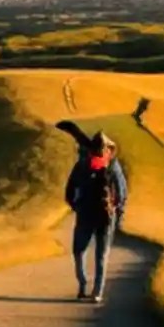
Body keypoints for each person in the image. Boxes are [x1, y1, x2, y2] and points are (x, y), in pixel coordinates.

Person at [57, 120, 128, 303]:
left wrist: (76, 205)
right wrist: (118, 215)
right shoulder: (113, 165)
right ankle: (97, 292)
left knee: (79, 252)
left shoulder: (82, 164)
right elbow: (122, 193)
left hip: (85, 214)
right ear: (108, 150)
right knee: (101, 255)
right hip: (106, 216)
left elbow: (70, 190)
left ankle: (82, 286)